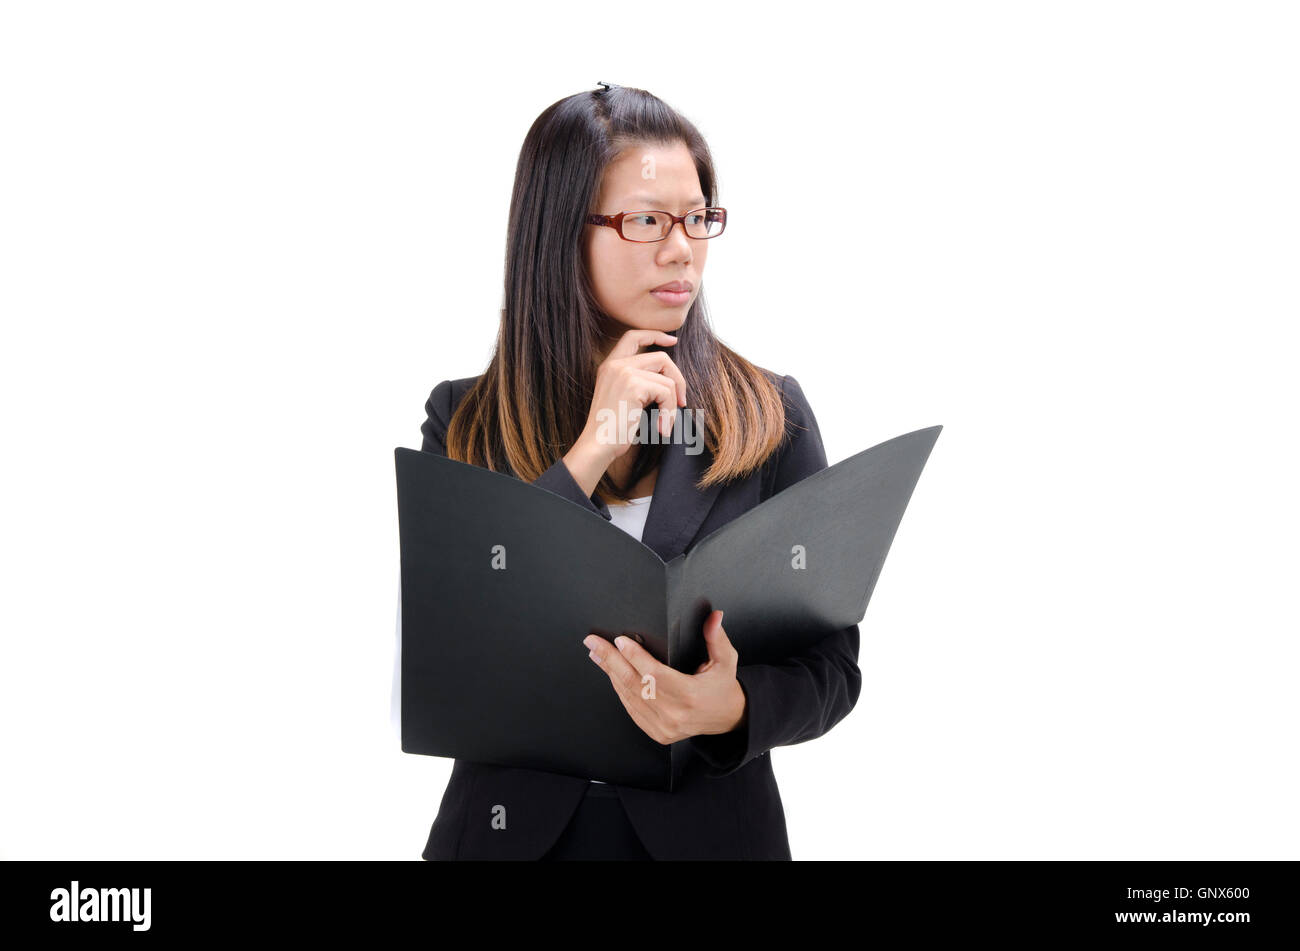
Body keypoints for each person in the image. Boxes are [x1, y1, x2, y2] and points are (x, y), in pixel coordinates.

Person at [393, 83, 862, 860]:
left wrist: (730, 706)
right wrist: (588, 453)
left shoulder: (771, 414)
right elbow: (458, 644)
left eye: (698, 215)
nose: (683, 248)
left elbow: (832, 668)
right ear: (557, 235)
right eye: (646, 219)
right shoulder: (464, 417)